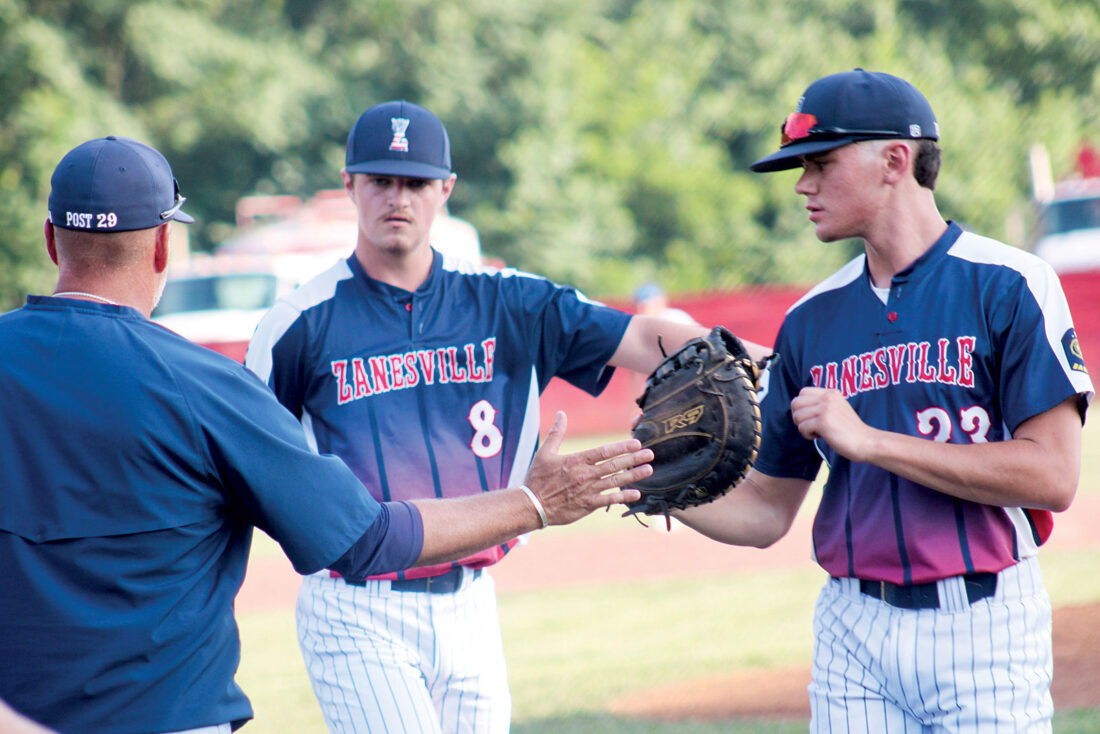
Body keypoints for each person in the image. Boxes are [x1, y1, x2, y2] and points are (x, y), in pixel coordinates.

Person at [0, 136, 656, 734]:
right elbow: (365, 538)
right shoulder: (204, 387)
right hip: (167, 715)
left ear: (52, 241)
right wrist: (535, 502)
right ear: (165, 246)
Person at [245, 100, 769, 733]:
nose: (397, 198)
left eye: (414, 182)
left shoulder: (508, 300)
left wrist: (748, 359)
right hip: (357, 608)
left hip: (472, 604)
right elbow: (254, 470)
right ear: (349, 184)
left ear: (446, 189)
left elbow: (639, 336)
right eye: (380, 179)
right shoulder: (299, 324)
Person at [676, 69, 1095, 732]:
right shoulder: (811, 320)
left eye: (820, 163)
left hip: (981, 626)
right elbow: (764, 511)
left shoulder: (1011, 284)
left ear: (895, 160)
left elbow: (1052, 477)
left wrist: (868, 442)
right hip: (853, 628)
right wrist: (652, 482)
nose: (802, 185)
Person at [630, 281, 697, 325]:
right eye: (637, 306)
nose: (639, 310)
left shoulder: (676, 318)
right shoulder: (640, 324)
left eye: (644, 306)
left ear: (658, 302)